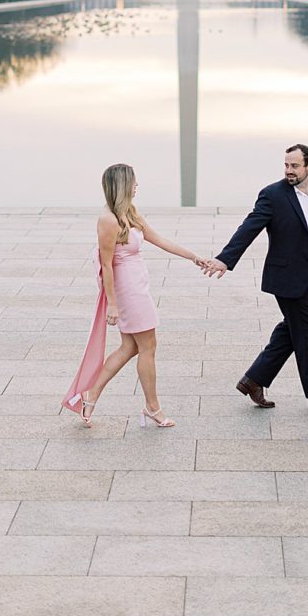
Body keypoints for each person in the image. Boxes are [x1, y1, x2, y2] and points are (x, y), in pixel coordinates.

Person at [62, 164, 216, 428]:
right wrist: (111, 303)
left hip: (137, 284)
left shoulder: (129, 213)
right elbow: (107, 264)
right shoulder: (108, 220)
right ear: (122, 186)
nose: (137, 186)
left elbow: (159, 239)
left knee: (130, 347)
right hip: (128, 291)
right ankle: (152, 408)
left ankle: (92, 393)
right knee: (148, 347)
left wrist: (193, 257)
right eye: (133, 182)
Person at [206, 143, 308, 414]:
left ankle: (254, 380)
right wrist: (225, 258)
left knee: (292, 330)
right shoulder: (273, 195)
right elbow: (250, 226)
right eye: (286, 165)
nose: (289, 171)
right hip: (287, 277)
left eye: (294, 166)